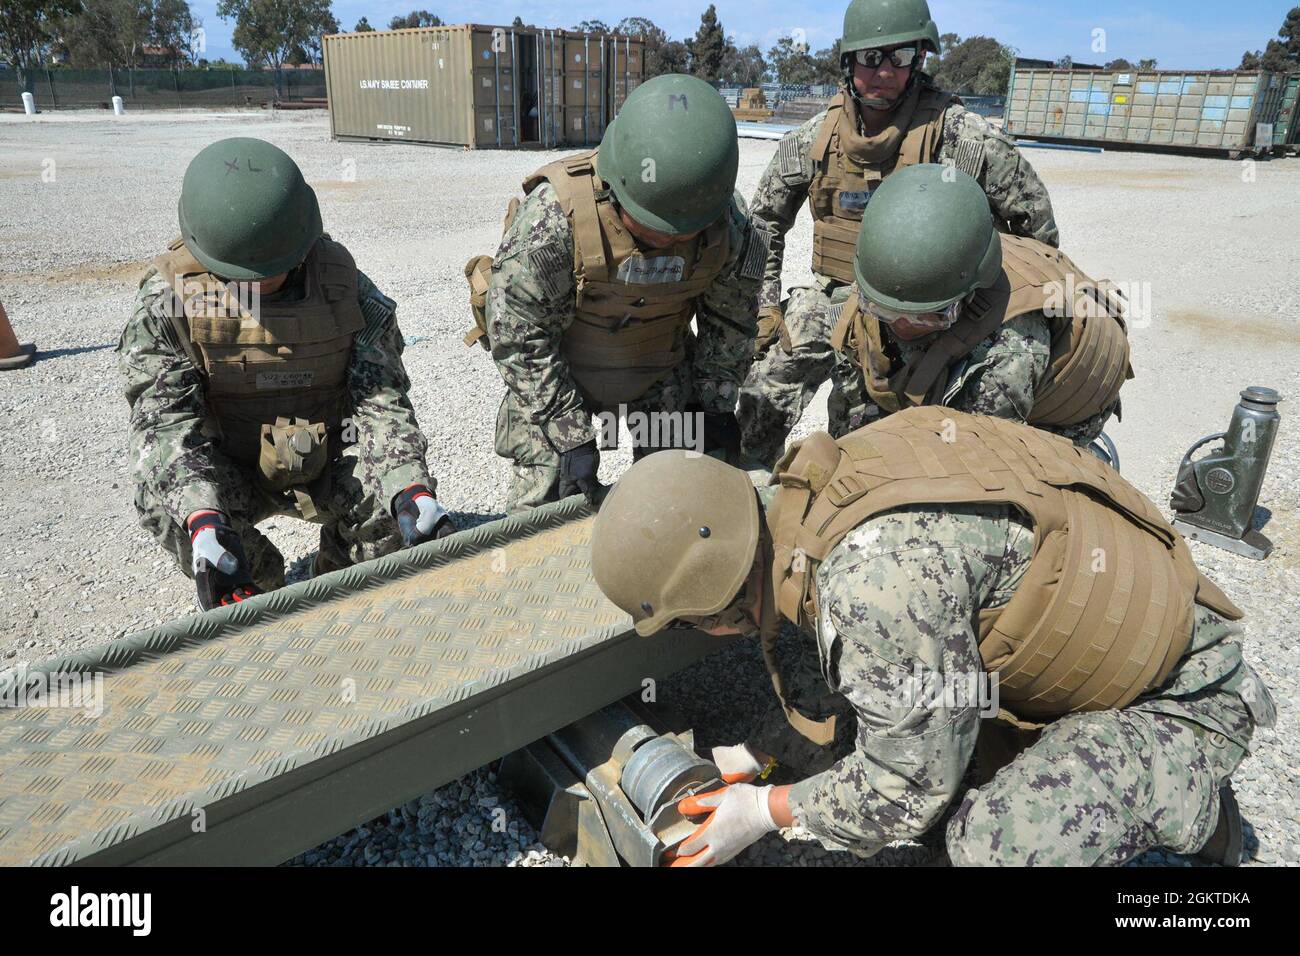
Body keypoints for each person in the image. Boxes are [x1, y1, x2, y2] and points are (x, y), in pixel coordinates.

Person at [589, 407, 1274, 866]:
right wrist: (763, 752)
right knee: (871, 725)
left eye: (683, 623)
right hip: (1120, 636)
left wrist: (765, 810)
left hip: (1181, 696)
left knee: (989, 842)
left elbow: (902, 793)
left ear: (713, 603)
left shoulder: (871, 585)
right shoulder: (813, 494)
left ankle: (1188, 795)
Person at [119, 137, 451, 610]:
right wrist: (203, 518)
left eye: (270, 273)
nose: (258, 286)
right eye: (244, 277)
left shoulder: (345, 288)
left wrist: (409, 488)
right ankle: (261, 588)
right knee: (162, 504)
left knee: (392, 497)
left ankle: (340, 583)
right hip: (229, 466)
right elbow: (166, 422)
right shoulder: (167, 303)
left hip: (327, 456)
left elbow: (379, 399)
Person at [738, 0, 1059, 466]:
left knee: (920, 424)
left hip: (933, 305)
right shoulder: (813, 139)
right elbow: (763, 223)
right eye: (871, 57)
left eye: (901, 56)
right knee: (779, 363)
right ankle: (747, 471)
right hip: (842, 295)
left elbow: (1036, 234)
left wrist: (980, 303)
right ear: (848, 62)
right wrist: (765, 306)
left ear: (920, 59)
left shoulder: (962, 138)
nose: (885, 70)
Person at [464, 74, 767, 510]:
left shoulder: (727, 224)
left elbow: (731, 321)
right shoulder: (554, 220)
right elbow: (518, 333)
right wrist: (569, 434)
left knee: (682, 499)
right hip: (563, 371)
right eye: (653, 225)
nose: (669, 240)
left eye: (685, 231)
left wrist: (714, 405)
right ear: (617, 186)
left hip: (661, 369)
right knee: (547, 506)